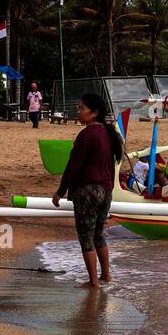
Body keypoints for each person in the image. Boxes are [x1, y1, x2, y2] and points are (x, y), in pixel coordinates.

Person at [53, 93, 122, 289]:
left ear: (94, 113)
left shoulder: (87, 134)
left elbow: (74, 166)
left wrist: (60, 191)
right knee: (98, 233)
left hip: (88, 190)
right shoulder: (109, 134)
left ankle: (93, 282)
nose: (78, 112)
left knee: (86, 236)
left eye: (82, 108)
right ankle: (106, 276)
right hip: (106, 191)